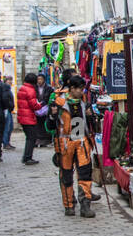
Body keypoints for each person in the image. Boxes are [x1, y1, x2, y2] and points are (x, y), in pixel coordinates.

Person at [52, 74, 98, 217]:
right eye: (79, 89)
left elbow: (92, 124)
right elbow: (50, 126)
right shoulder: (58, 103)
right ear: (72, 88)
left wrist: (90, 116)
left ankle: (85, 205)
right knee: (66, 176)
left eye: (82, 89)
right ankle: (69, 205)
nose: (81, 92)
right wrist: (52, 116)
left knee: (85, 174)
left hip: (82, 142)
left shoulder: (85, 103)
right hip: (65, 144)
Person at [17, 72, 43, 165]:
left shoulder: (22, 88)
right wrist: (40, 105)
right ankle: (27, 157)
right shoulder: (30, 90)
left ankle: (27, 157)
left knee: (29, 137)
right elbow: (34, 105)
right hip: (28, 117)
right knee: (31, 138)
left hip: (22, 116)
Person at [2, 76, 17, 150]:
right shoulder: (5, 89)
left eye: (11, 80)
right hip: (6, 110)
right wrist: (9, 106)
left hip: (9, 110)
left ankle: (7, 142)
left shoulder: (8, 89)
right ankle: (5, 143)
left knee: (10, 127)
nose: (10, 82)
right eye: (9, 80)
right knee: (7, 127)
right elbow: (5, 99)